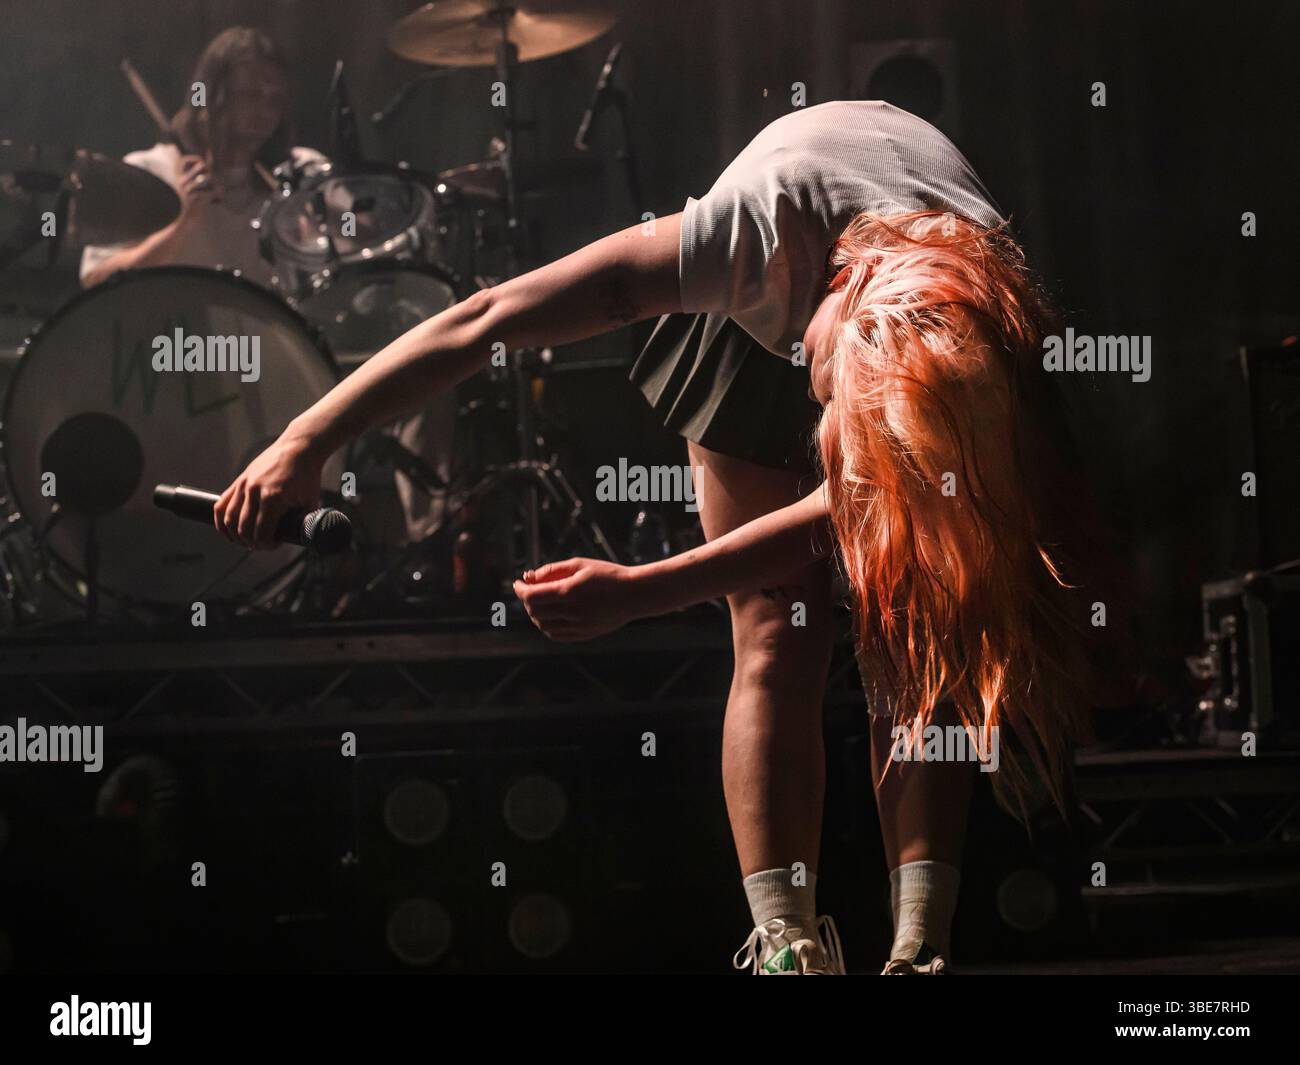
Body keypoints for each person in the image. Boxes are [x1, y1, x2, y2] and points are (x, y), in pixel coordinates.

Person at [213, 100, 1121, 974]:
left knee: (913, 620)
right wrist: (307, 439)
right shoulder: (740, 237)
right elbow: (485, 319)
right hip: (783, 281)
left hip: (922, 319)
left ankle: (921, 945)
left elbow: (849, 507)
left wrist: (643, 587)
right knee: (775, 632)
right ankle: (785, 945)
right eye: (828, 394)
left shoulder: (992, 353)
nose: (812, 404)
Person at [81, 26, 318, 290]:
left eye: (275, 100)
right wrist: (182, 224)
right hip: (170, 331)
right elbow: (95, 282)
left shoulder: (301, 173)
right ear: (207, 96)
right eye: (249, 95)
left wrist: (319, 240)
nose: (264, 112)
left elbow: (360, 233)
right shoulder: (146, 171)